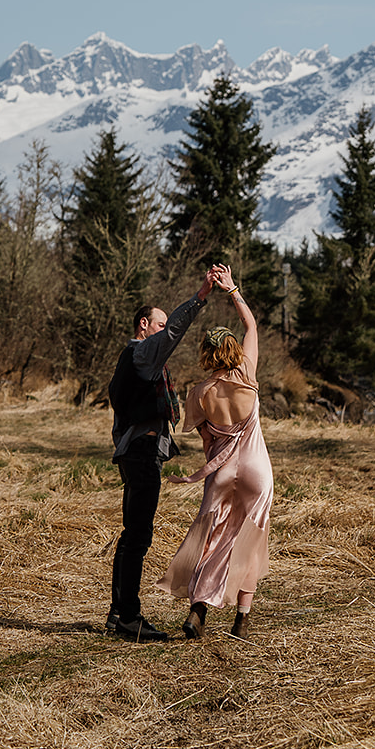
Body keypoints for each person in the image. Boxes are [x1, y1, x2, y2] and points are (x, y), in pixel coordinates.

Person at [156, 266, 274, 641]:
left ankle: (198, 610)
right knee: (250, 539)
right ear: (234, 350)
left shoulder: (200, 393)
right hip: (257, 468)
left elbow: (208, 443)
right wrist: (232, 290)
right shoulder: (248, 374)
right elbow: (252, 327)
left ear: (207, 354)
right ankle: (241, 620)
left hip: (221, 471)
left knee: (210, 535)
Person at [107, 268, 218, 641]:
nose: (165, 330)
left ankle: (118, 613)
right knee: (138, 536)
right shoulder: (142, 354)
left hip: (133, 454)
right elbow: (175, 332)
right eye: (159, 323)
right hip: (140, 455)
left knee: (131, 534)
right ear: (144, 325)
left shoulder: (131, 359)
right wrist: (200, 296)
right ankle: (129, 618)